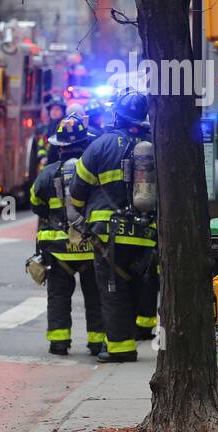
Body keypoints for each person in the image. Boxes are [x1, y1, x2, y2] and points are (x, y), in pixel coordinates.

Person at [67, 89, 158, 363]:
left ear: (117, 113)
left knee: (113, 289)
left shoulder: (100, 146)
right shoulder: (153, 146)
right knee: (136, 286)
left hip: (108, 236)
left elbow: (76, 192)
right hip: (144, 235)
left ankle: (120, 348)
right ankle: (137, 332)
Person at [30, 116, 105, 356]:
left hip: (57, 249)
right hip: (88, 245)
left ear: (59, 146)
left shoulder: (48, 173)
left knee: (59, 296)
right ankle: (96, 342)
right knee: (95, 296)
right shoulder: (92, 172)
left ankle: (59, 342)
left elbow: (35, 202)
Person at [27, 94, 67, 186]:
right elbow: (41, 145)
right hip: (46, 168)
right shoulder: (45, 129)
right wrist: (42, 157)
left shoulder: (65, 128)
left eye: (57, 109)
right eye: (52, 109)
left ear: (63, 111)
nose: (54, 112)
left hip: (60, 167)